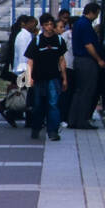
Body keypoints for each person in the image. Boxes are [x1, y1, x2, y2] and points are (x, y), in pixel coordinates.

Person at [26, 13, 67, 141]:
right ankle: (36, 127)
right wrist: (29, 77)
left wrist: (64, 78)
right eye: (46, 25)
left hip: (54, 77)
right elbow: (30, 61)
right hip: (39, 77)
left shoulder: (59, 41)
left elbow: (61, 60)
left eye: (51, 24)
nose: (49, 27)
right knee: (38, 105)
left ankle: (53, 131)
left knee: (53, 104)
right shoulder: (37, 41)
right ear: (42, 26)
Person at [67, 2, 105, 129]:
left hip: (78, 61)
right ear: (92, 12)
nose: (97, 16)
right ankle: (82, 120)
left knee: (78, 91)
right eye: (97, 14)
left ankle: (72, 120)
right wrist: (99, 59)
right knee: (87, 91)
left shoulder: (78, 23)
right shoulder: (86, 25)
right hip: (87, 62)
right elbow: (89, 45)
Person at [0, 16, 34, 128]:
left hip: (22, 68)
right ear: (25, 23)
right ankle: (7, 109)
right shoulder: (24, 36)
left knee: (23, 93)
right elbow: (24, 55)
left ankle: (11, 111)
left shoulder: (21, 35)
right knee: (24, 94)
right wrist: (26, 71)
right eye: (33, 23)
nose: (34, 26)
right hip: (24, 69)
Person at [57, 10, 74, 127]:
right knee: (64, 94)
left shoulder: (65, 35)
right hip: (65, 68)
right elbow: (61, 57)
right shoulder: (66, 36)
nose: (63, 27)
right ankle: (62, 118)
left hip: (68, 68)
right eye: (60, 26)